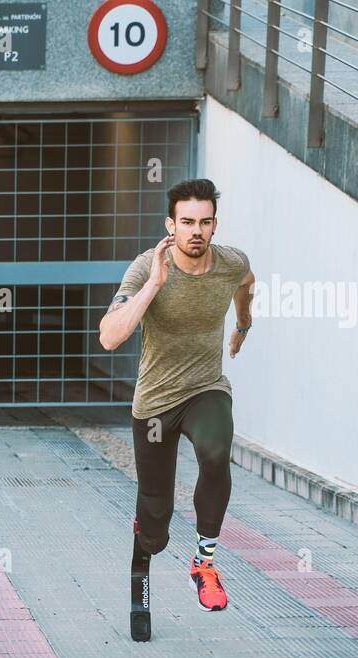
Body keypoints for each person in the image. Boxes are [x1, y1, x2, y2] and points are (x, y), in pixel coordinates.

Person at [98, 178, 255, 613]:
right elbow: (110, 337)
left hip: (205, 388)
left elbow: (246, 281)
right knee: (156, 516)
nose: (196, 231)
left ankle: (204, 565)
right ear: (171, 225)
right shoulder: (146, 267)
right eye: (187, 222)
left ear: (215, 225)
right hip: (154, 406)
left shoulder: (230, 262)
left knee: (214, 452)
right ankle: (143, 555)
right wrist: (153, 285)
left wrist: (243, 324)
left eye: (205, 222)